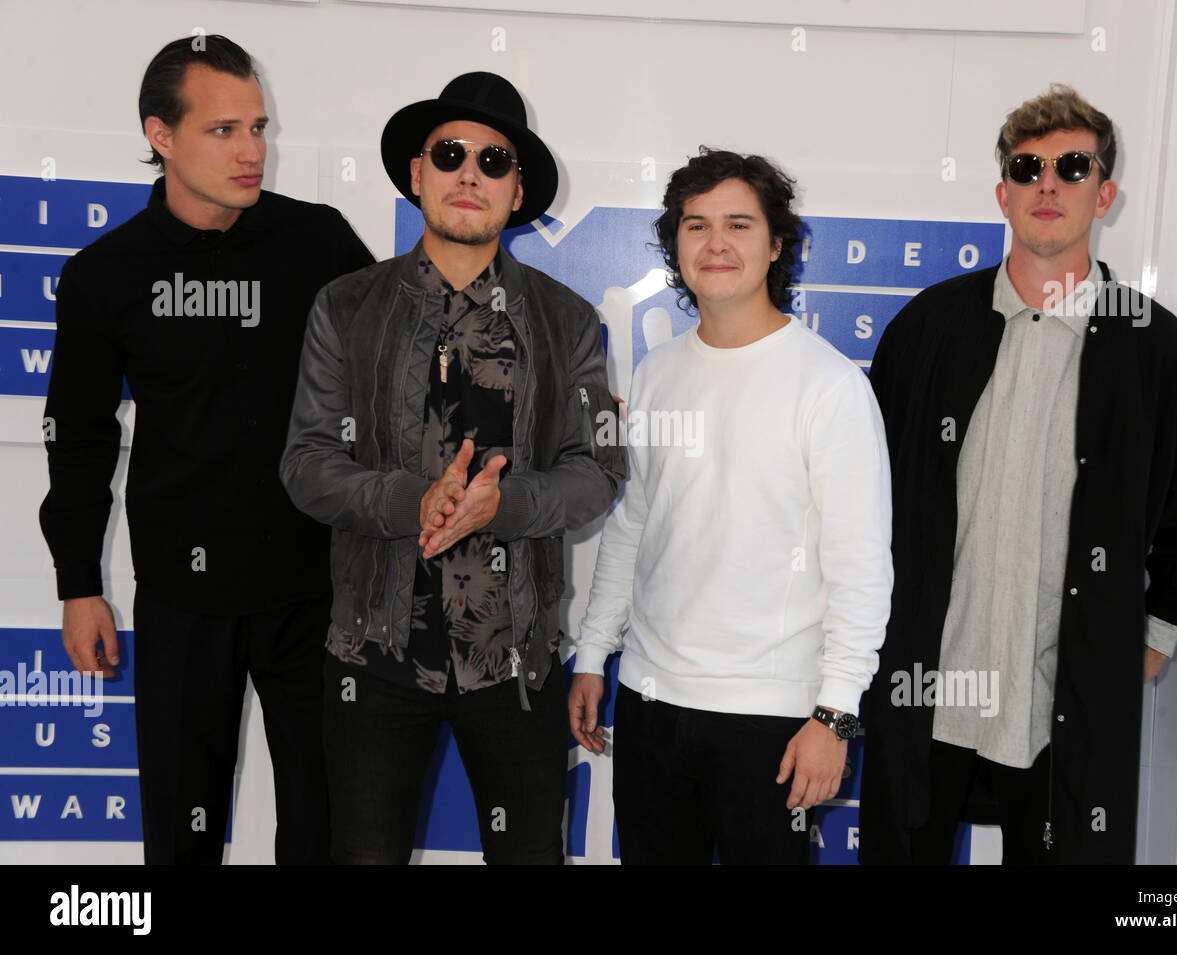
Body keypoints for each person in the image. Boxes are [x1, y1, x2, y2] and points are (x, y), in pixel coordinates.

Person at [858, 84, 1177, 864]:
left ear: (1104, 192)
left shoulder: (1156, 350)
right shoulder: (926, 330)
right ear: (1002, 192)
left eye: (1072, 167)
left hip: (1062, 702)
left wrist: (1153, 629)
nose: (1047, 184)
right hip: (927, 692)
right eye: (1027, 168)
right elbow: (858, 503)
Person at [39, 34, 375, 864]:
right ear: (161, 136)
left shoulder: (320, 243)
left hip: (316, 594)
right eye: (224, 130)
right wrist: (79, 586)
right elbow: (79, 438)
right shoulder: (102, 274)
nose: (252, 150)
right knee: (181, 837)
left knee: (324, 830)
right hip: (182, 601)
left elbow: (404, 370)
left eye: (258, 127)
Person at [280, 71, 626, 865]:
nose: (470, 173)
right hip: (372, 653)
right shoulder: (345, 306)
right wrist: (411, 500)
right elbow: (306, 462)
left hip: (518, 662)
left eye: (493, 160)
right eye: (449, 153)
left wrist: (499, 506)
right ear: (416, 175)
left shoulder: (573, 322)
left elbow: (600, 468)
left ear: (517, 191)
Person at [568, 148, 893, 865]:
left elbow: (861, 568)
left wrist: (834, 716)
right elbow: (633, 524)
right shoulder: (657, 372)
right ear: (674, 244)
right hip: (651, 702)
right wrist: (593, 652)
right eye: (696, 225)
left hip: (771, 719)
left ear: (777, 245)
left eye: (739, 225)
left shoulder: (831, 386)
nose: (716, 243)